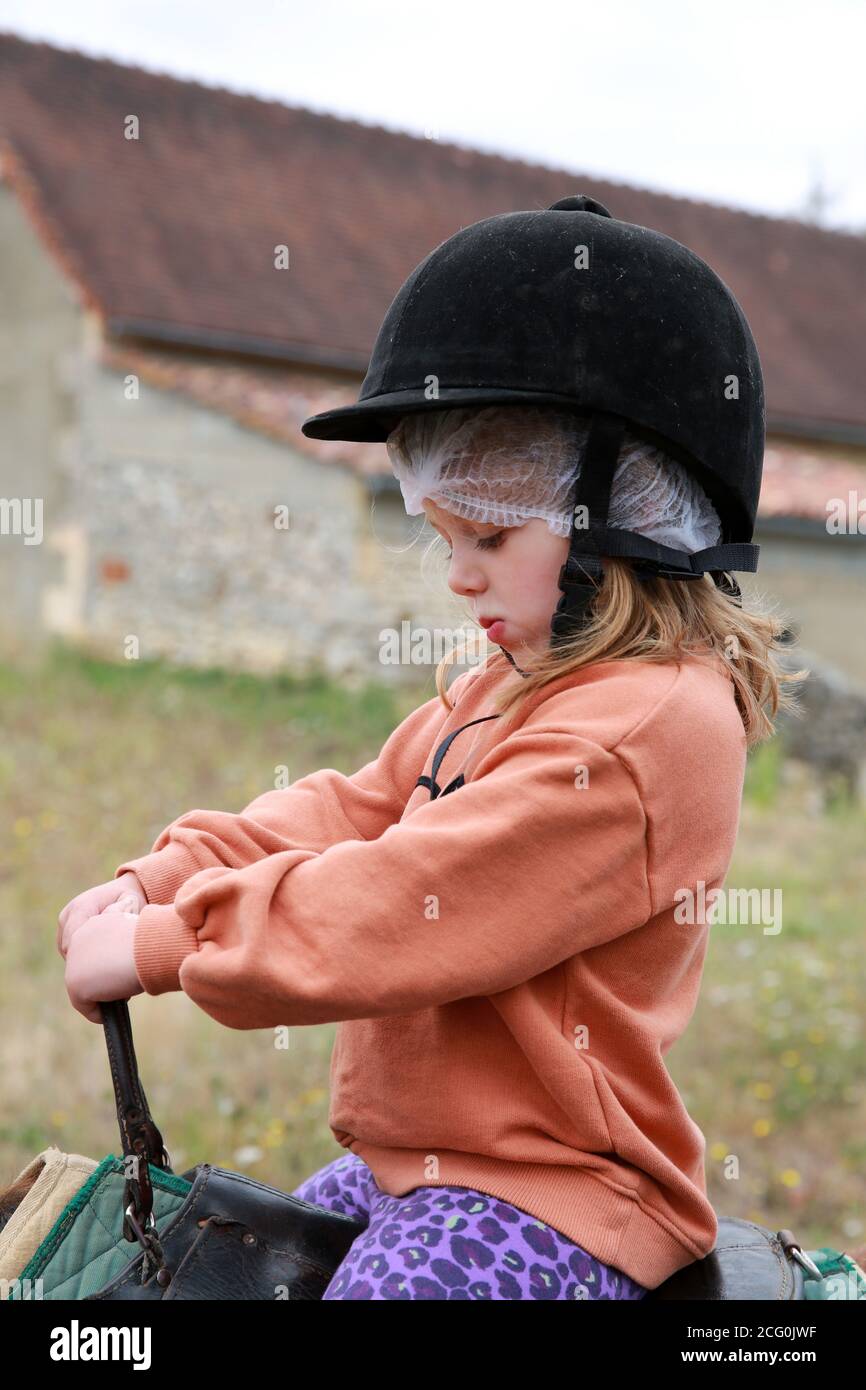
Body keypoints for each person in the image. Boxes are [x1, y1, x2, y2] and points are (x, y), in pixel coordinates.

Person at [58, 196, 808, 1300]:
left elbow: (414, 892)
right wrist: (168, 870)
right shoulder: (513, 682)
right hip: (426, 1163)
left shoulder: (651, 730)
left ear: (630, 511)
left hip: (552, 1193)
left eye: (491, 535)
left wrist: (172, 943)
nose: (457, 574)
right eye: (443, 533)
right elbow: (360, 808)